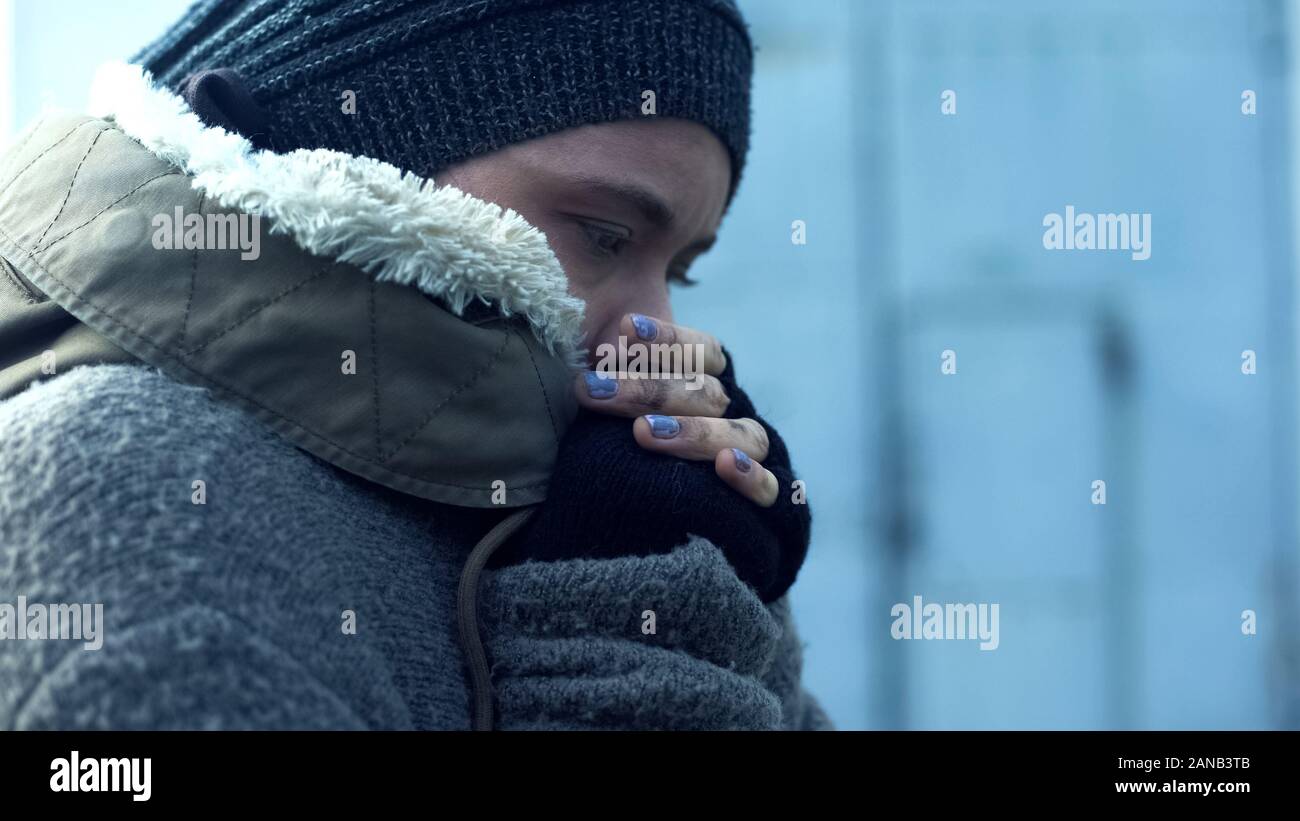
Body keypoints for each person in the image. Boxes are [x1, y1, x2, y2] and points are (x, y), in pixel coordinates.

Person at [0, 0, 829, 730]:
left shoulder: (529, 487)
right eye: (603, 236)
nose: (655, 333)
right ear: (345, 162)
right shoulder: (141, 506)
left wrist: (724, 597)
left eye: (678, 268)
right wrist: (622, 639)